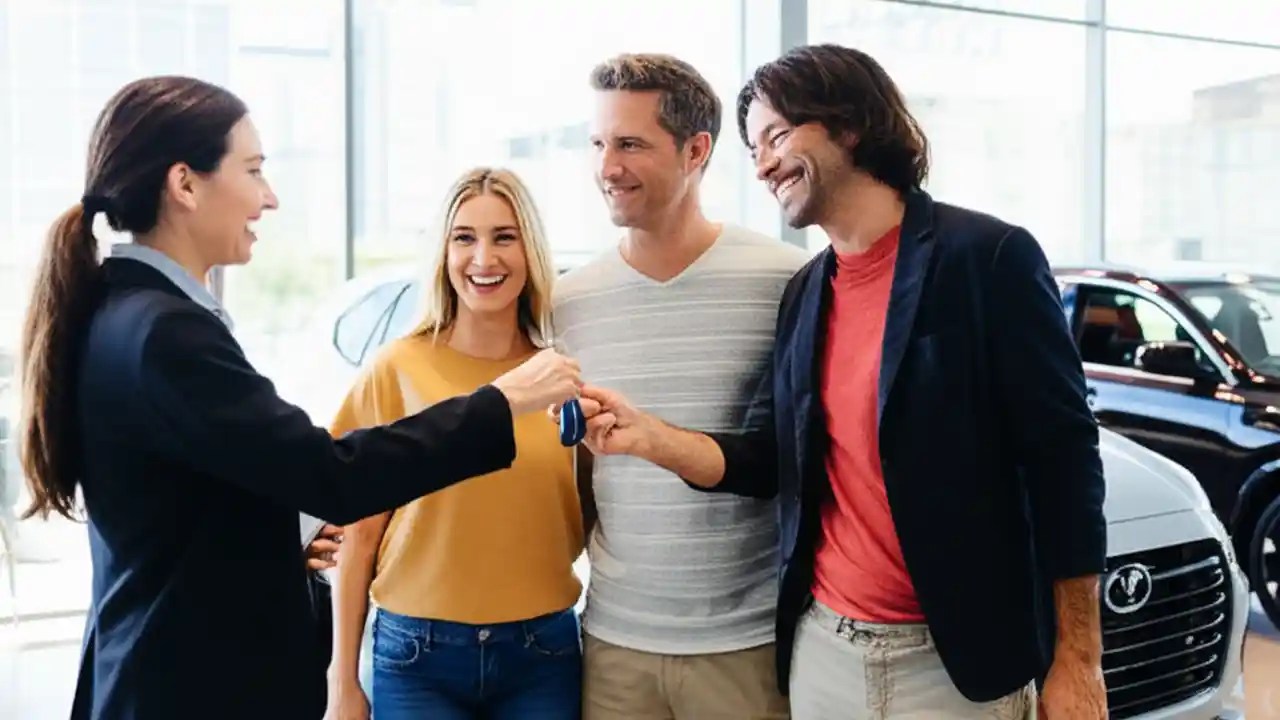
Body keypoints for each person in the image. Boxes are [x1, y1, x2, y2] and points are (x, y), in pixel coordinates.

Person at [14, 75, 581, 720]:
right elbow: (329, 475)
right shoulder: (163, 333)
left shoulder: (131, 315)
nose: (269, 197)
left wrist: (279, 533)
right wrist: (499, 404)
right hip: (189, 688)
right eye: (253, 170)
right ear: (185, 184)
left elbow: (195, 499)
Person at [576, 43, 1108, 719]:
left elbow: (1064, 463)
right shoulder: (805, 291)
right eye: (753, 147)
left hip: (953, 664)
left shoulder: (987, 258)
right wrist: (651, 438)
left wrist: (1078, 659)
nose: (764, 163)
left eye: (777, 135)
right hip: (824, 650)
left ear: (849, 124)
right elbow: (774, 460)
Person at [553, 53, 808, 720]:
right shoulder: (568, 302)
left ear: (696, 150)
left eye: (630, 144)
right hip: (614, 644)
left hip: (746, 648)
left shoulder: (785, 280)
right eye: (599, 143)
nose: (607, 167)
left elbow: (799, 457)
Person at [323, 167, 588, 720]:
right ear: (443, 253)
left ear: (531, 250)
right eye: (464, 237)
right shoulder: (396, 368)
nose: (484, 259)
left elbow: (587, 513)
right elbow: (358, 539)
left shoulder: (562, 374)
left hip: (542, 655)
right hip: (416, 657)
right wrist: (342, 681)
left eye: (504, 237)